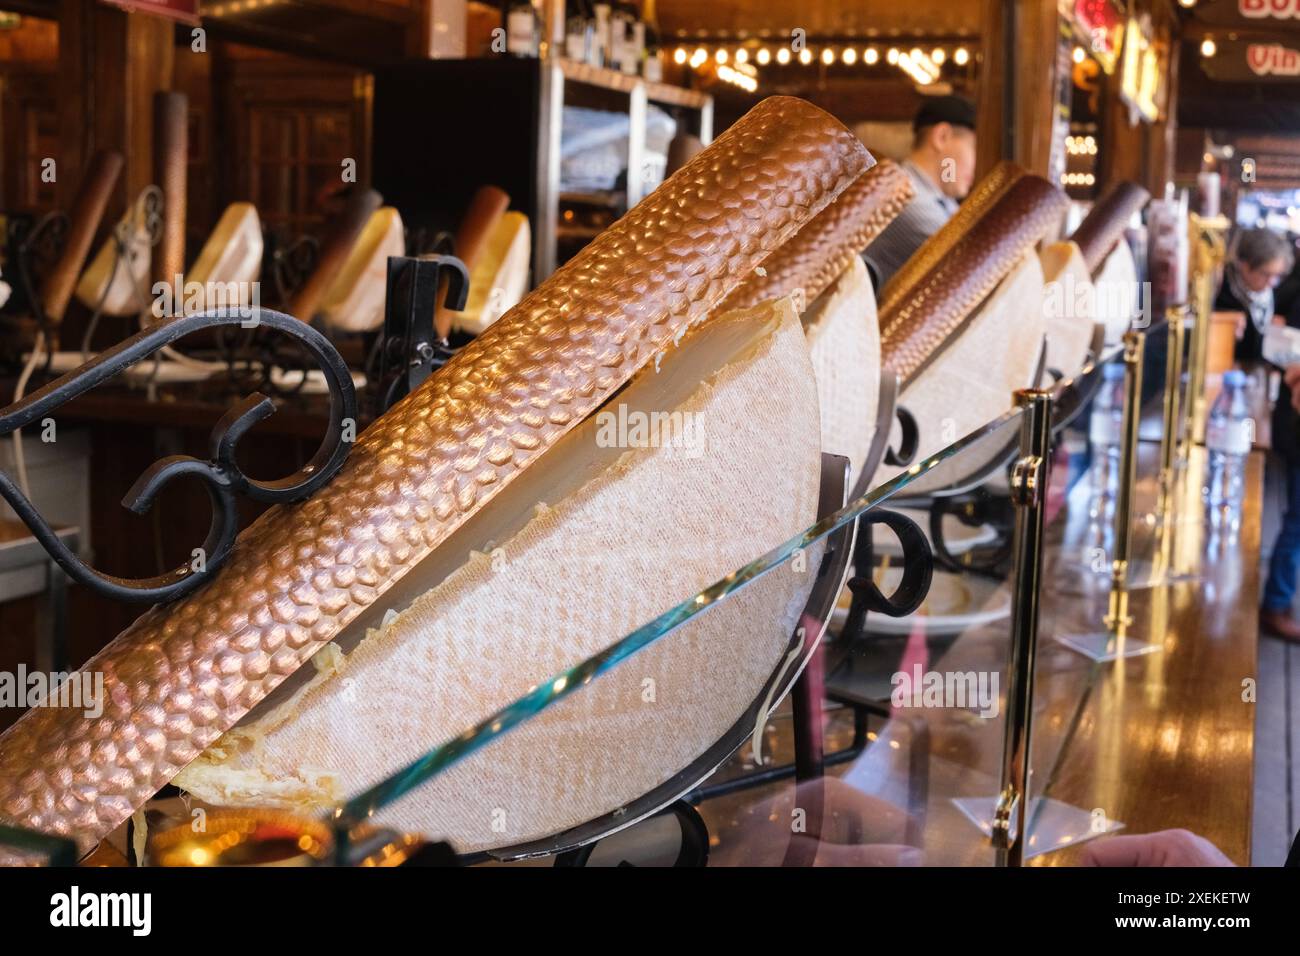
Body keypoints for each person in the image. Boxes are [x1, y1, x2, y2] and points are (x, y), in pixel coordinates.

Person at [1218, 229, 1300, 640]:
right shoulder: (1224, 294)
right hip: (1241, 403)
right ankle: (1271, 602)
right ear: (1245, 266)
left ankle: (1270, 599)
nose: (1271, 282)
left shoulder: (1275, 295)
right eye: (1266, 274)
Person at [865, 94, 978, 288]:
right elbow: (972, 264)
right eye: (973, 147)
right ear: (942, 137)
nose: (975, 164)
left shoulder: (943, 200)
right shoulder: (902, 194)